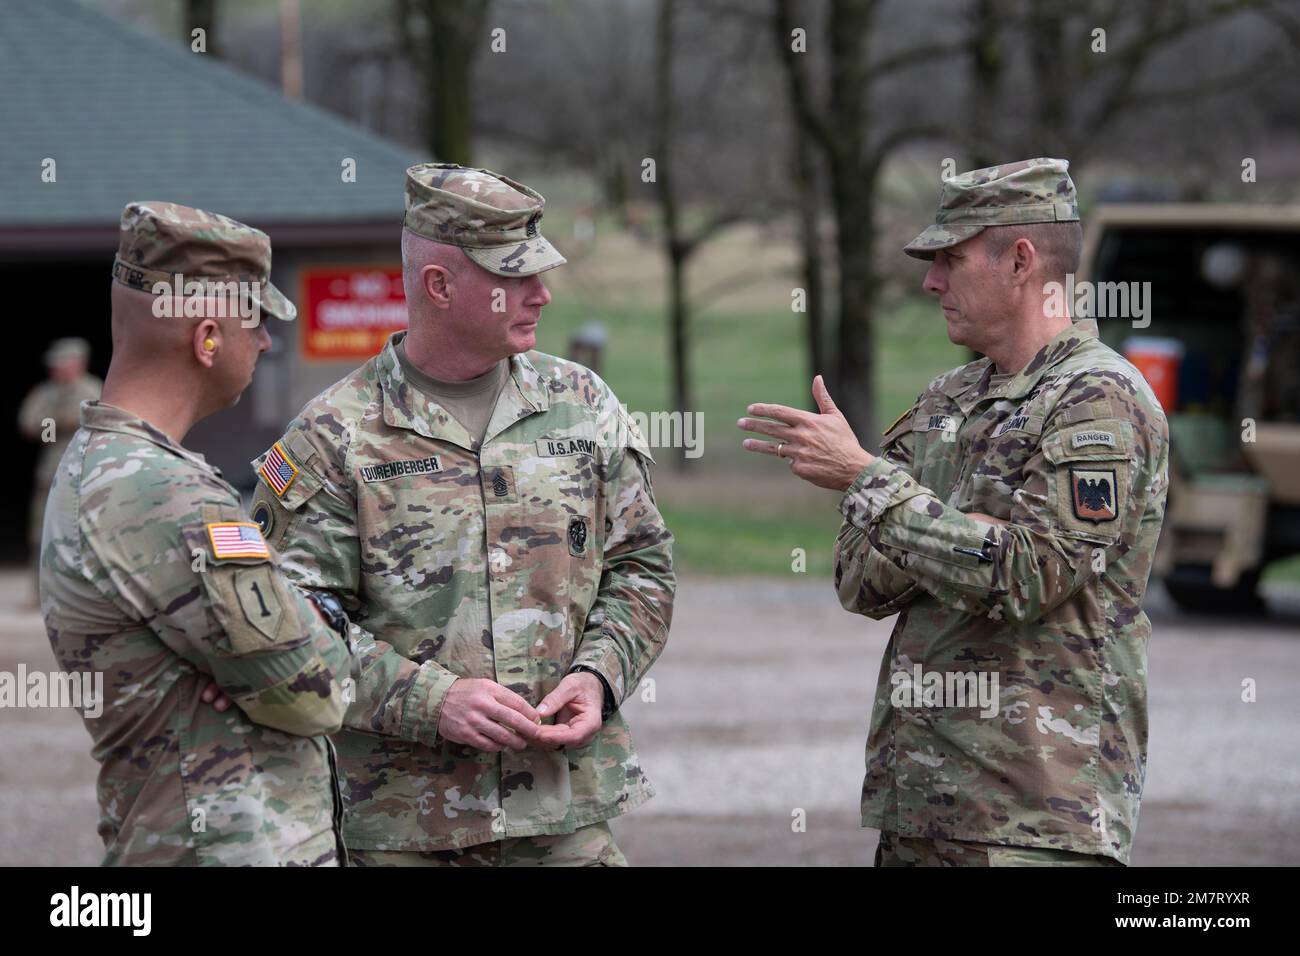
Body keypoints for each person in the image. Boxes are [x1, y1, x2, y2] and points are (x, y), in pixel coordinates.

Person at [738, 158, 1169, 866]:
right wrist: (957, 531)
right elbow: (858, 581)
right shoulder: (947, 401)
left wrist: (871, 484)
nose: (930, 281)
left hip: (1033, 817)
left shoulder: (1098, 401)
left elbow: (1027, 577)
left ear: (1022, 261)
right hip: (920, 808)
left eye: (950, 259)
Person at [251, 163, 675, 866]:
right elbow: (291, 626)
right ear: (440, 286)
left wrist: (600, 673)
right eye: (514, 278)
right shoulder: (334, 435)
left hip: (561, 813)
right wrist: (428, 700)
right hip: (403, 826)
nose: (541, 293)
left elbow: (642, 566)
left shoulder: (583, 405)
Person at [41, 201, 356, 866]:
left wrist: (272, 656)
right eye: (258, 323)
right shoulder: (164, 494)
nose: (266, 341)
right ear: (207, 337)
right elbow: (316, 695)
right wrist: (315, 628)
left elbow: (283, 673)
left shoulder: (105, 465)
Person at [18, 338, 102, 603]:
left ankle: (80, 594)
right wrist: (60, 422)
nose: (55, 370)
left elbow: (98, 424)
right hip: (50, 474)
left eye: (62, 364)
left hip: (84, 475)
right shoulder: (46, 393)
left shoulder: (93, 389)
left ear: (78, 363)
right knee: (41, 533)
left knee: (82, 535)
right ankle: (39, 593)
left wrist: (57, 423)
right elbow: (32, 425)